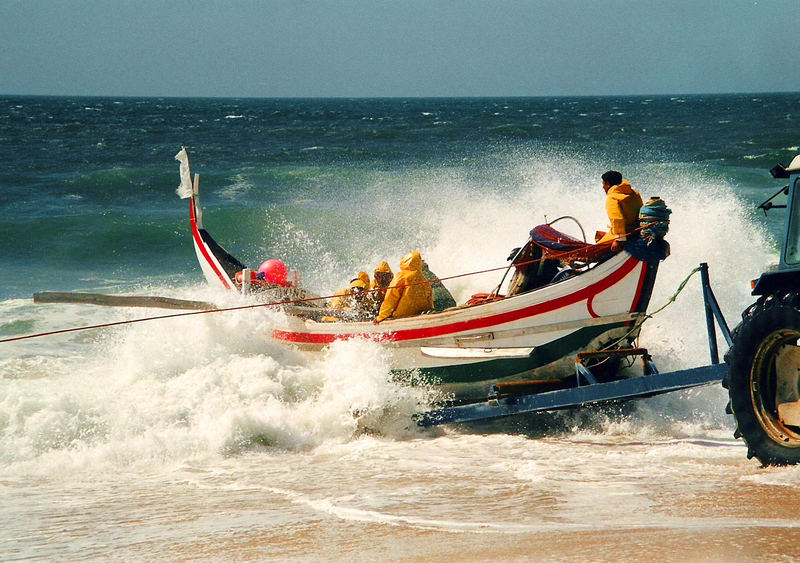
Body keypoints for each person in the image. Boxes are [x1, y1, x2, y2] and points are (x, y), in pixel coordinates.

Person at [374, 251, 434, 323]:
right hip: (421, 312)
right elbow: (429, 296)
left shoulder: (401, 276)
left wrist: (381, 317)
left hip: (403, 315)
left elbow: (391, 298)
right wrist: (431, 309)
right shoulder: (423, 277)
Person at [595, 171, 644, 253]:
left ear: (608, 184)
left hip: (625, 234)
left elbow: (617, 219)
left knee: (592, 250)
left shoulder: (612, 197)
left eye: (603, 184)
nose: (603, 187)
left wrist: (618, 240)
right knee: (599, 236)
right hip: (637, 231)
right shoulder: (635, 193)